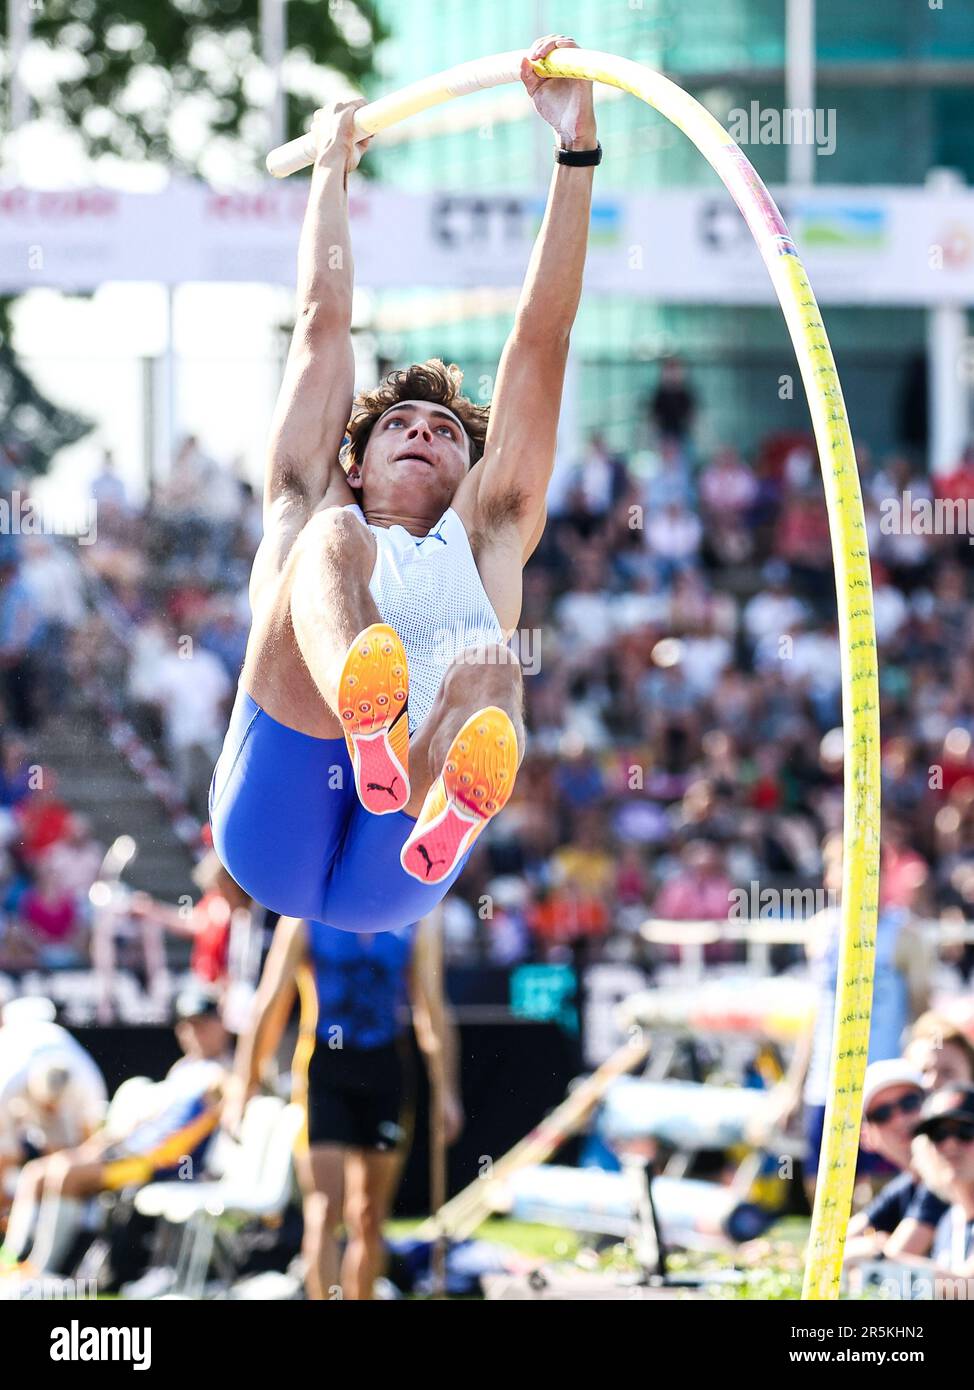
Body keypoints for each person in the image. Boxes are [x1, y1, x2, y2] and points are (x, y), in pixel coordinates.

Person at [209, 34, 598, 934]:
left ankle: (438, 790)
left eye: (446, 433)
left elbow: (543, 341)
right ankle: (367, 708)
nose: (424, 432)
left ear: (471, 469)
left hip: (404, 853)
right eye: (399, 426)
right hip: (273, 820)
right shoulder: (314, 501)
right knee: (332, 543)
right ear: (355, 460)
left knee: (495, 669)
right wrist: (331, 176)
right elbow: (322, 321)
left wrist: (574, 149)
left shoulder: (492, 535)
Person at [223, 913, 461, 1300]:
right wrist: (243, 1085)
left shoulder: (415, 917)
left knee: (369, 1216)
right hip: (325, 1070)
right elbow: (271, 1001)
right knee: (323, 1210)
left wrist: (446, 1090)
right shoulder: (305, 916)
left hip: (384, 1068)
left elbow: (432, 1008)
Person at [1, 988, 229, 1276]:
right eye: (187, 1024)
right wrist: (108, 1141)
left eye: (202, 1023)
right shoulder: (184, 1070)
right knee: (38, 1171)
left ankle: (44, 1270)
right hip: (136, 1151)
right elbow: (147, 1121)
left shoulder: (225, 1072)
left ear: (220, 1025)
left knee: (66, 1174)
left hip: (162, 1163)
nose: (193, 1032)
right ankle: (12, 1261)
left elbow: (214, 1116)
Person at [842, 1060, 949, 1267]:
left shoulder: (947, 1176)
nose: (900, 1119)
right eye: (881, 1114)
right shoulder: (906, 1184)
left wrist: (873, 1251)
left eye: (909, 1102)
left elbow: (881, 1269)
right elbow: (827, 1247)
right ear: (866, 1137)